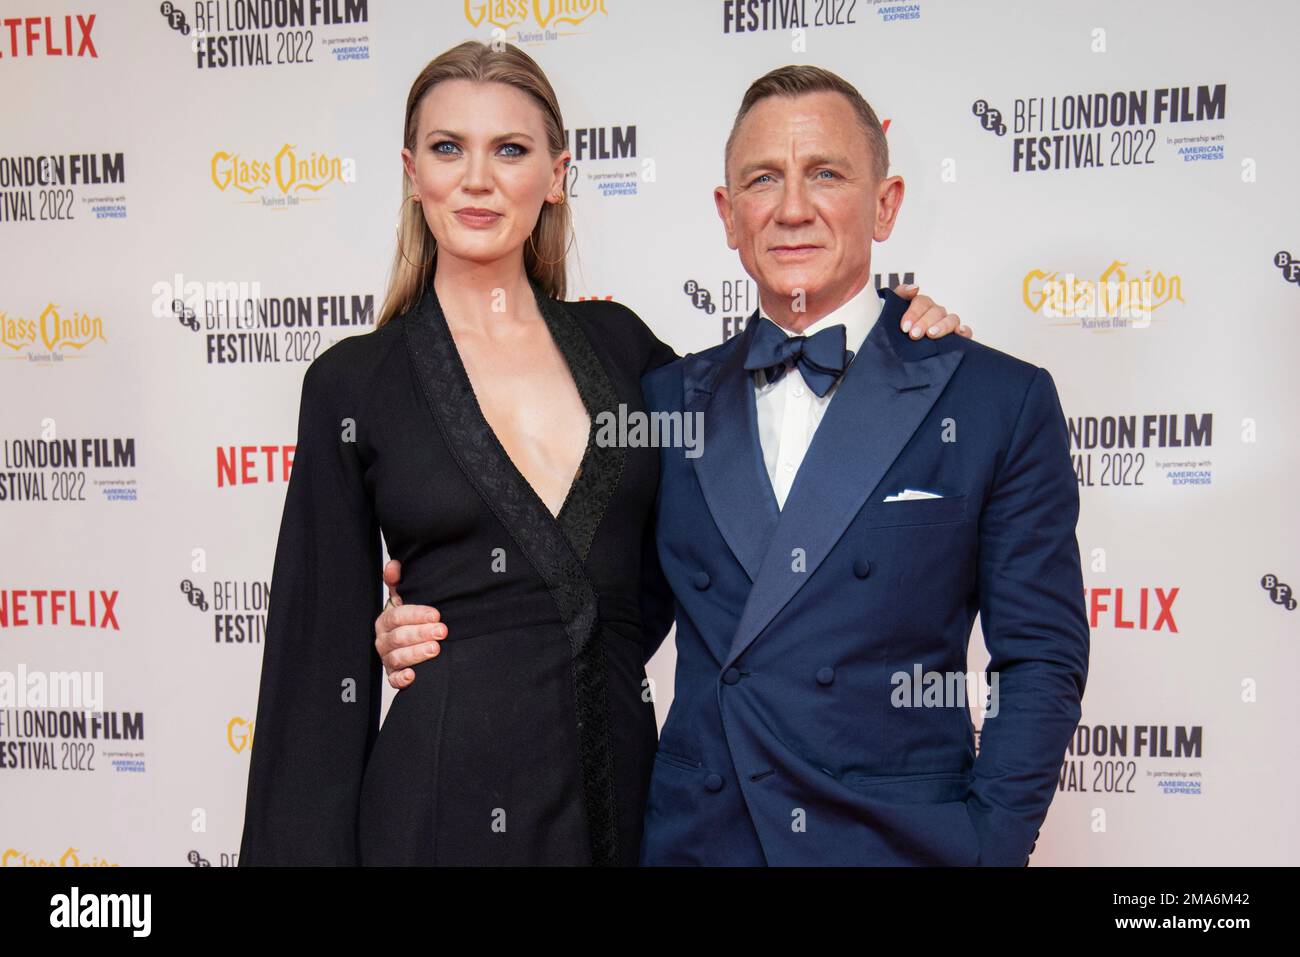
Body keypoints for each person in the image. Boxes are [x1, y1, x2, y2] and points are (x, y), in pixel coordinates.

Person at [237, 42, 968, 867]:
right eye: (449, 148)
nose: (477, 179)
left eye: (510, 149)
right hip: (438, 800)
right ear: (412, 172)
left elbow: (766, 444)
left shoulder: (628, 356)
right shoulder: (351, 383)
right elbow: (312, 681)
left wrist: (898, 342)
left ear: (556, 174)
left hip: (622, 796)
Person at [376, 62, 1087, 867]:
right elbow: (596, 609)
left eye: (825, 174)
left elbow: (1042, 659)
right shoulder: (665, 395)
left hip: (897, 847)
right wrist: (441, 633)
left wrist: (988, 848)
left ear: (884, 205)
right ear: (727, 214)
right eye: (762, 179)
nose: (791, 208)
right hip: (699, 843)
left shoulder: (996, 398)